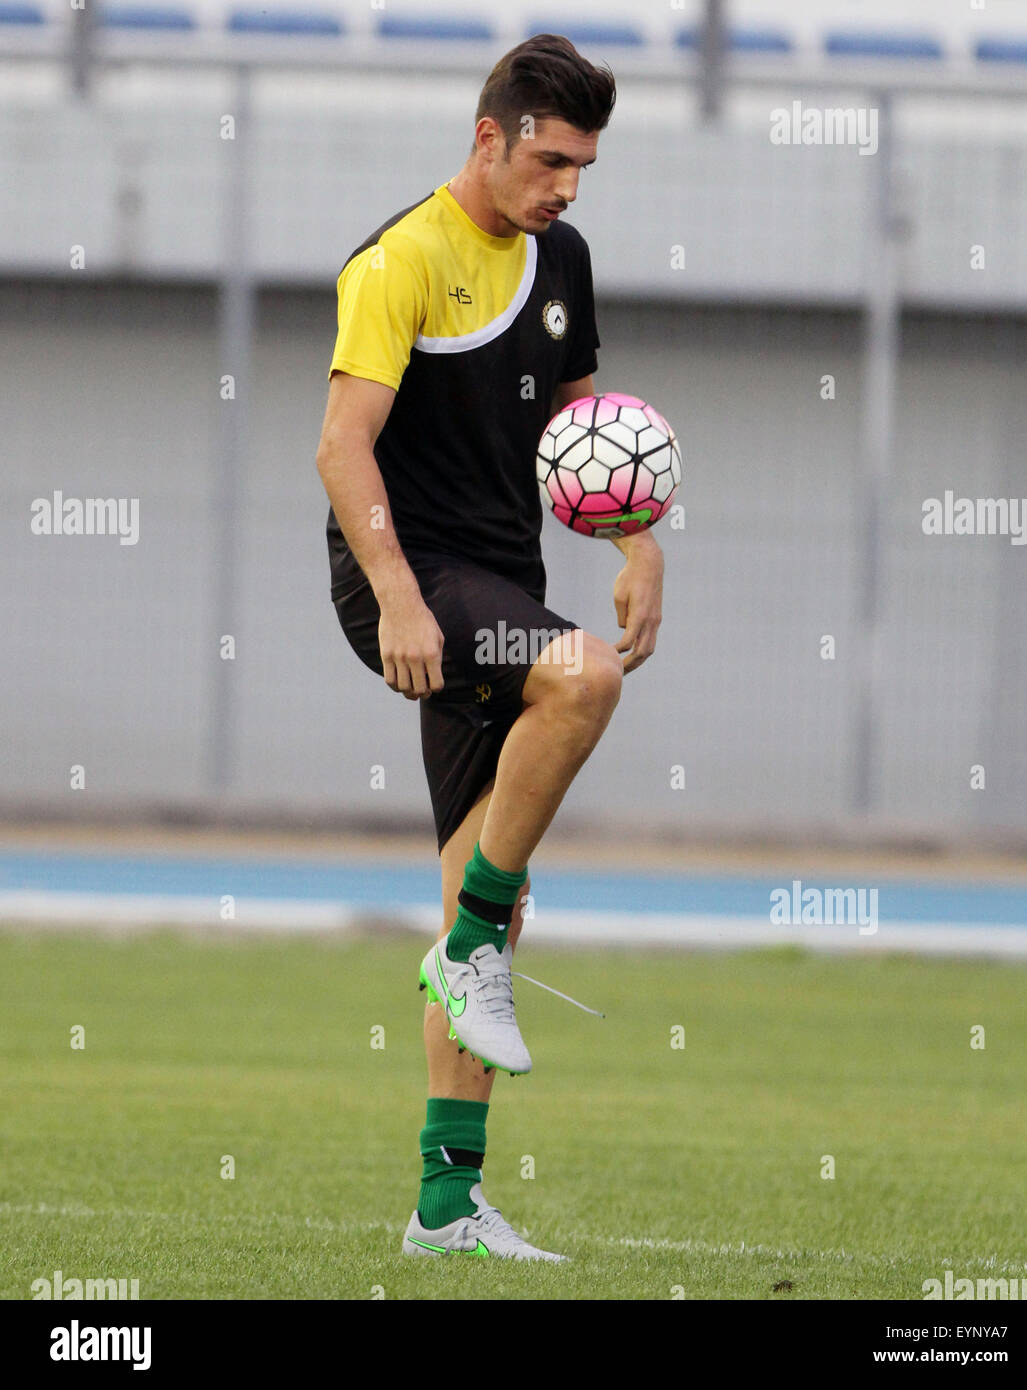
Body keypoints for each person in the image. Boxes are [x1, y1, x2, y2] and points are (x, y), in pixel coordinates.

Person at [315, 33, 664, 1261]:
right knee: (586, 675)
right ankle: (464, 949)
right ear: (489, 136)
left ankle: (444, 1209)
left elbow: (581, 424)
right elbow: (339, 449)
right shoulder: (397, 260)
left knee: (487, 897)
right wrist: (401, 599)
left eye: (583, 165)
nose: (567, 186)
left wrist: (637, 540)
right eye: (552, 159)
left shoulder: (559, 255)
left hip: (497, 582)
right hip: (405, 586)